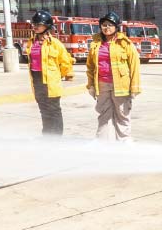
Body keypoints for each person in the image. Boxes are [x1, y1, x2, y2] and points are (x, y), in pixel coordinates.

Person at [86, 11, 140, 141]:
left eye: (110, 25)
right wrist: (91, 86)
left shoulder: (125, 43)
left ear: (116, 27)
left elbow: (134, 66)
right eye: (104, 25)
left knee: (122, 114)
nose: (106, 28)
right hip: (102, 85)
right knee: (104, 114)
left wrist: (134, 88)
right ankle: (102, 142)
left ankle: (124, 141)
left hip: (121, 85)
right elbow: (90, 66)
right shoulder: (95, 44)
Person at [23, 10, 74, 136]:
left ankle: (56, 138)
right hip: (36, 79)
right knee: (43, 109)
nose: (35, 26)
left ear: (47, 26)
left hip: (51, 81)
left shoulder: (55, 44)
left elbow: (65, 62)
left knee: (54, 110)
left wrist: (63, 75)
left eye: (38, 24)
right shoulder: (31, 42)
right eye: (34, 24)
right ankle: (46, 136)